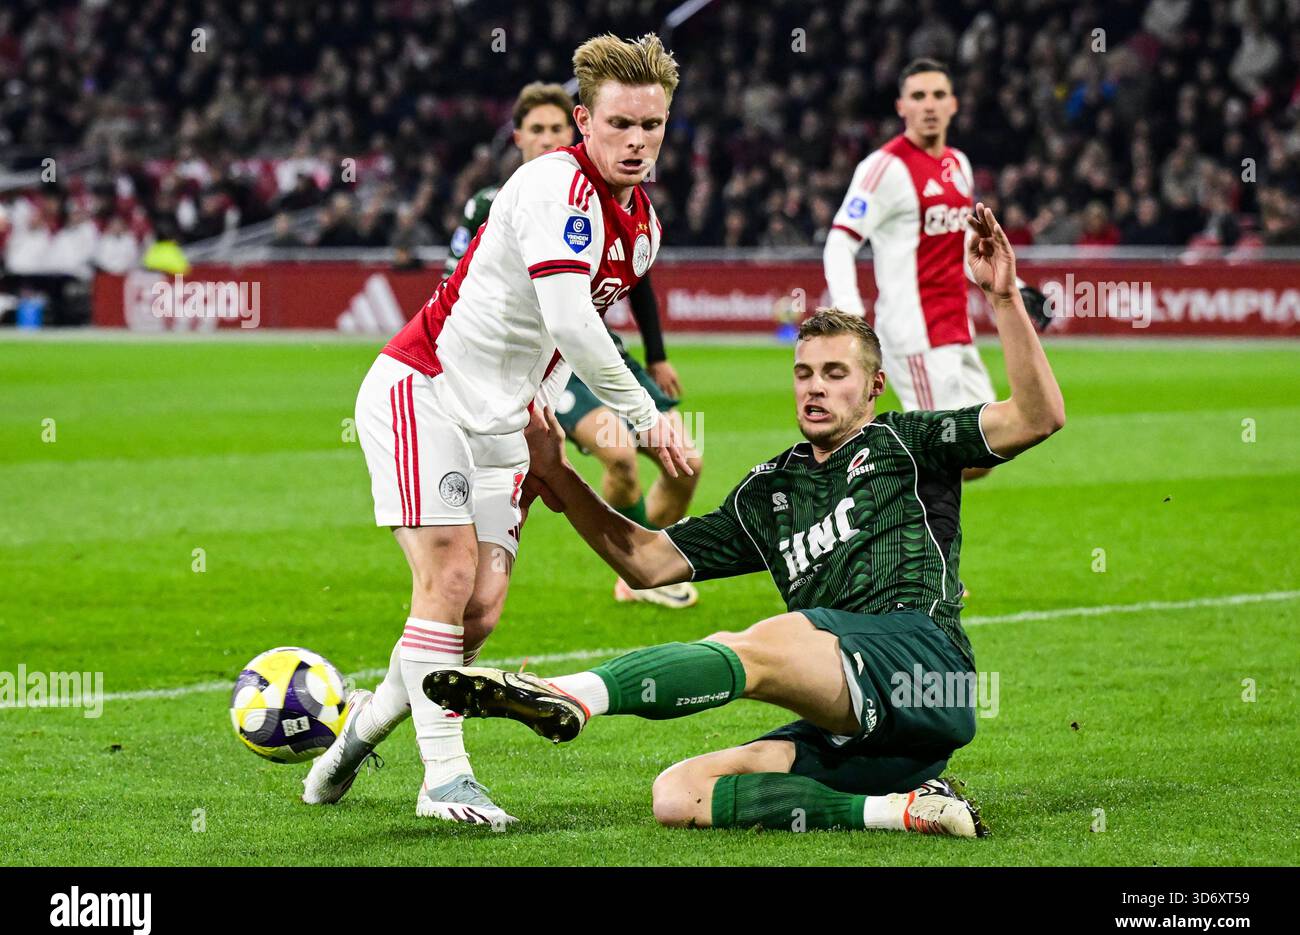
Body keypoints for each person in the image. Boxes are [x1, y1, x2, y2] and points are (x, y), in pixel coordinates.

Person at [425, 204, 1065, 838]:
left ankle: (573, 693)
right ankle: (902, 808)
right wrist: (561, 475)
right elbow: (647, 563)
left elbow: (1037, 417)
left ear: (874, 387)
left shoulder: (912, 441)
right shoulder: (769, 491)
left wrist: (1003, 297)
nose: (814, 388)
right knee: (679, 795)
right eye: (804, 373)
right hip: (861, 722)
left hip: (926, 669)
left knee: (755, 642)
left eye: (835, 374)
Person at [301, 33, 692, 827]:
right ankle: (444, 780)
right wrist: (649, 418)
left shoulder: (642, 228)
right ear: (584, 120)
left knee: (477, 613)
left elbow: (553, 347)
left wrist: (542, 404)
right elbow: (572, 324)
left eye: (651, 126)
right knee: (445, 577)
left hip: (505, 419)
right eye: (620, 123)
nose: (637, 141)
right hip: (426, 392)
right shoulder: (552, 186)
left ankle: (358, 733)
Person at [446, 81, 702, 609]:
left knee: (688, 463)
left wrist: (656, 354)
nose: (546, 139)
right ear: (518, 137)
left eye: (555, 129)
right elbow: (461, 286)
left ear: (577, 128)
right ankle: (636, 569)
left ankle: (644, 565)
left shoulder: (616, 202)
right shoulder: (500, 203)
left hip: (597, 346)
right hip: (541, 354)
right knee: (620, 457)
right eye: (535, 129)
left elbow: (639, 280)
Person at [823, 59, 1048, 480]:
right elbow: (840, 240)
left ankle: (864, 476)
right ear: (901, 107)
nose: (929, 105)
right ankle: (888, 524)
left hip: (955, 329)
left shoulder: (958, 164)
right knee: (948, 458)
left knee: (983, 454)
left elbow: (963, 243)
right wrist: (850, 315)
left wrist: (1016, 286)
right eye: (919, 96)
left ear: (954, 105)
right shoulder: (883, 168)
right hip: (914, 334)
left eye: (938, 95)